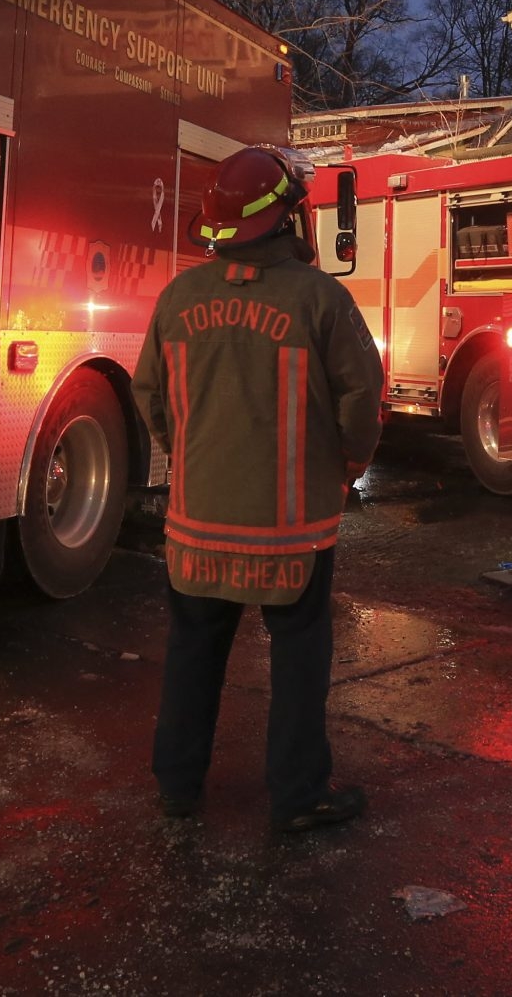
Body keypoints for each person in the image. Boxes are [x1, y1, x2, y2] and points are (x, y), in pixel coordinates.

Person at [132, 145, 385, 832]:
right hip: (291, 527)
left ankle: (178, 785)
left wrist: (188, 457)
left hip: (198, 521)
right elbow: (362, 399)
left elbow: (150, 396)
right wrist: (349, 465)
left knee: (193, 650)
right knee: (299, 656)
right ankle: (298, 794)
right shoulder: (322, 300)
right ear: (286, 218)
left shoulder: (178, 297)